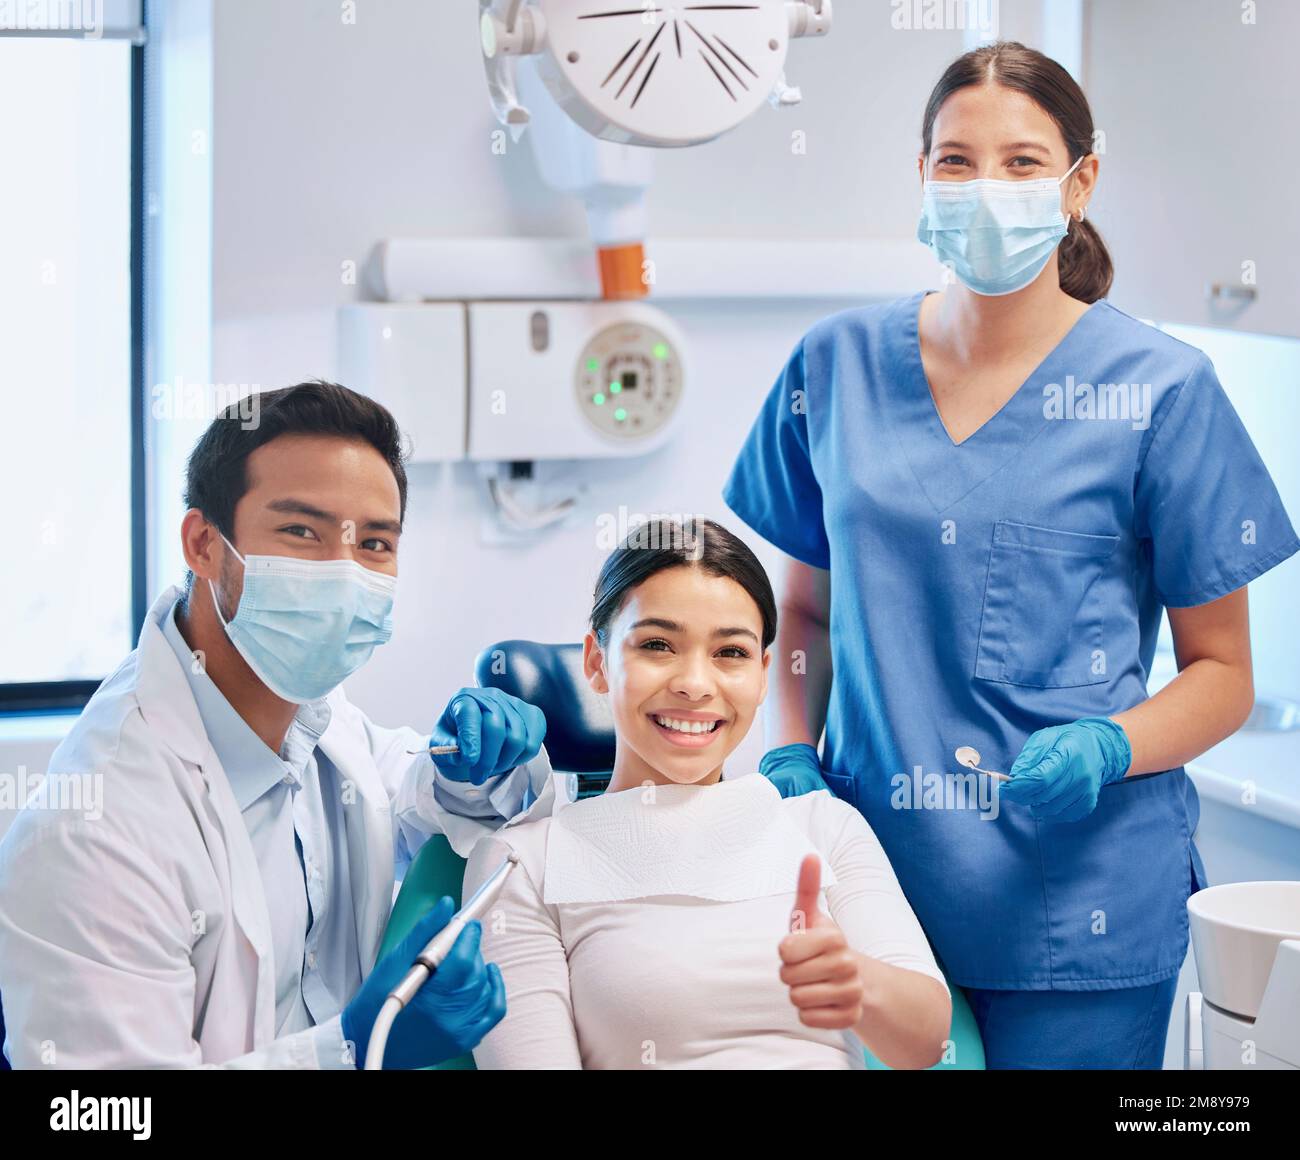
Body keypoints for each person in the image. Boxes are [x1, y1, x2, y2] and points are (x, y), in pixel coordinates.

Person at [722, 41, 1299, 1069]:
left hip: (1075, 907)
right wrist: (790, 753)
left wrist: (1108, 745)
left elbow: (1222, 675)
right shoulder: (835, 365)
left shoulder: (1161, 390)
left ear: (1080, 182)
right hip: (871, 880)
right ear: (921, 176)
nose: (985, 187)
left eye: (1023, 162)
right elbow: (802, 614)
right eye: (956, 159)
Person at [0, 382, 564, 1069]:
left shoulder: (312, 716)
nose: (344, 573)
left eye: (376, 542)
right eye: (302, 531)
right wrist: (355, 1047)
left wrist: (481, 766)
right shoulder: (94, 832)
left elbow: (424, 800)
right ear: (205, 544)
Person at [463, 518, 952, 1069]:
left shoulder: (823, 827)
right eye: (657, 645)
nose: (696, 684)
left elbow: (926, 1044)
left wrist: (856, 980)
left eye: (731, 653)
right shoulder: (522, 863)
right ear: (597, 662)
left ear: (765, 673)